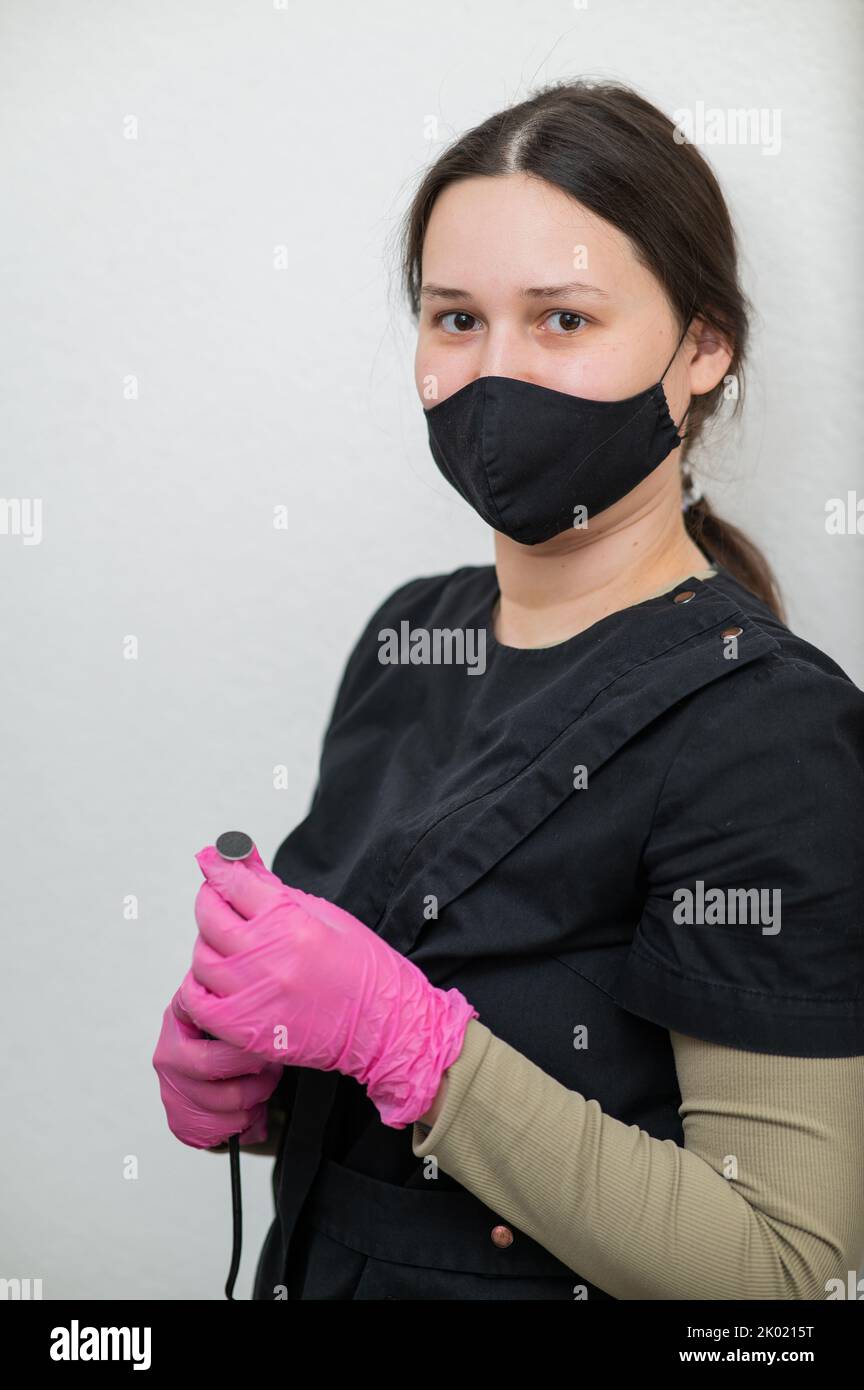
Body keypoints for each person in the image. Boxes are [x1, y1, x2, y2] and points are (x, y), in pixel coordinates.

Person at [153, 78, 864, 1300]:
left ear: (702, 345)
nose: (497, 377)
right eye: (455, 319)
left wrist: (417, 1047)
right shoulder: (408, 638)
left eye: (564, 320)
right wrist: (268, 1079)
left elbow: (777, 1274)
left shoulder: (768, 729)